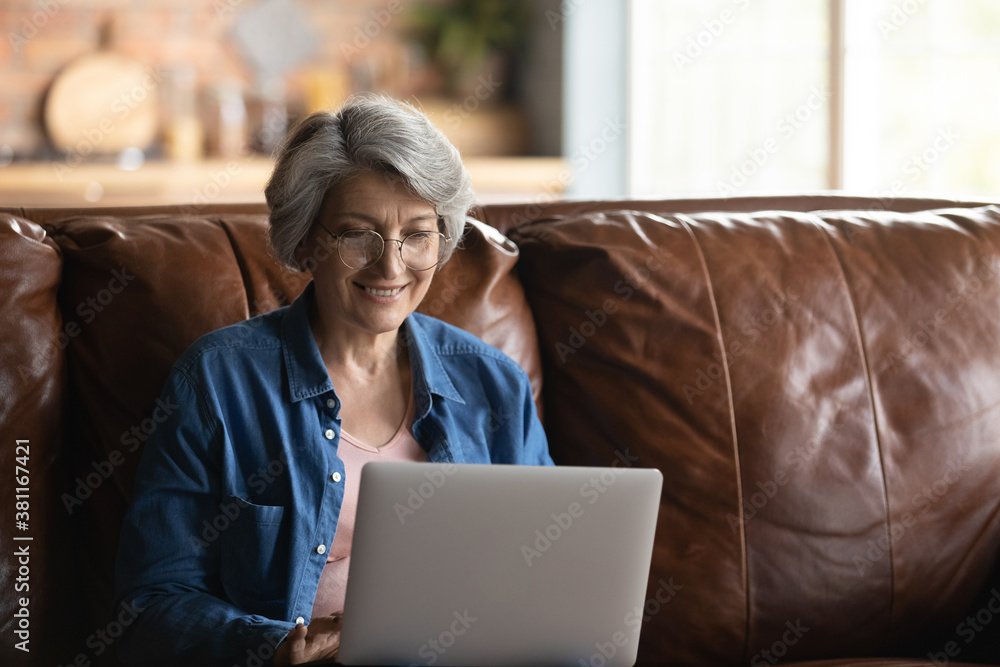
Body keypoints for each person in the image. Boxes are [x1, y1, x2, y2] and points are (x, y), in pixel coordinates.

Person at [114, 94, 552, 667]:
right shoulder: (218, 382)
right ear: (304, 241)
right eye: (357, 234)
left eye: (417, 235)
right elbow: (152, 601)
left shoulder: (495, 385)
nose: (390, 267)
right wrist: (269, 646)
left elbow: (543, 575)